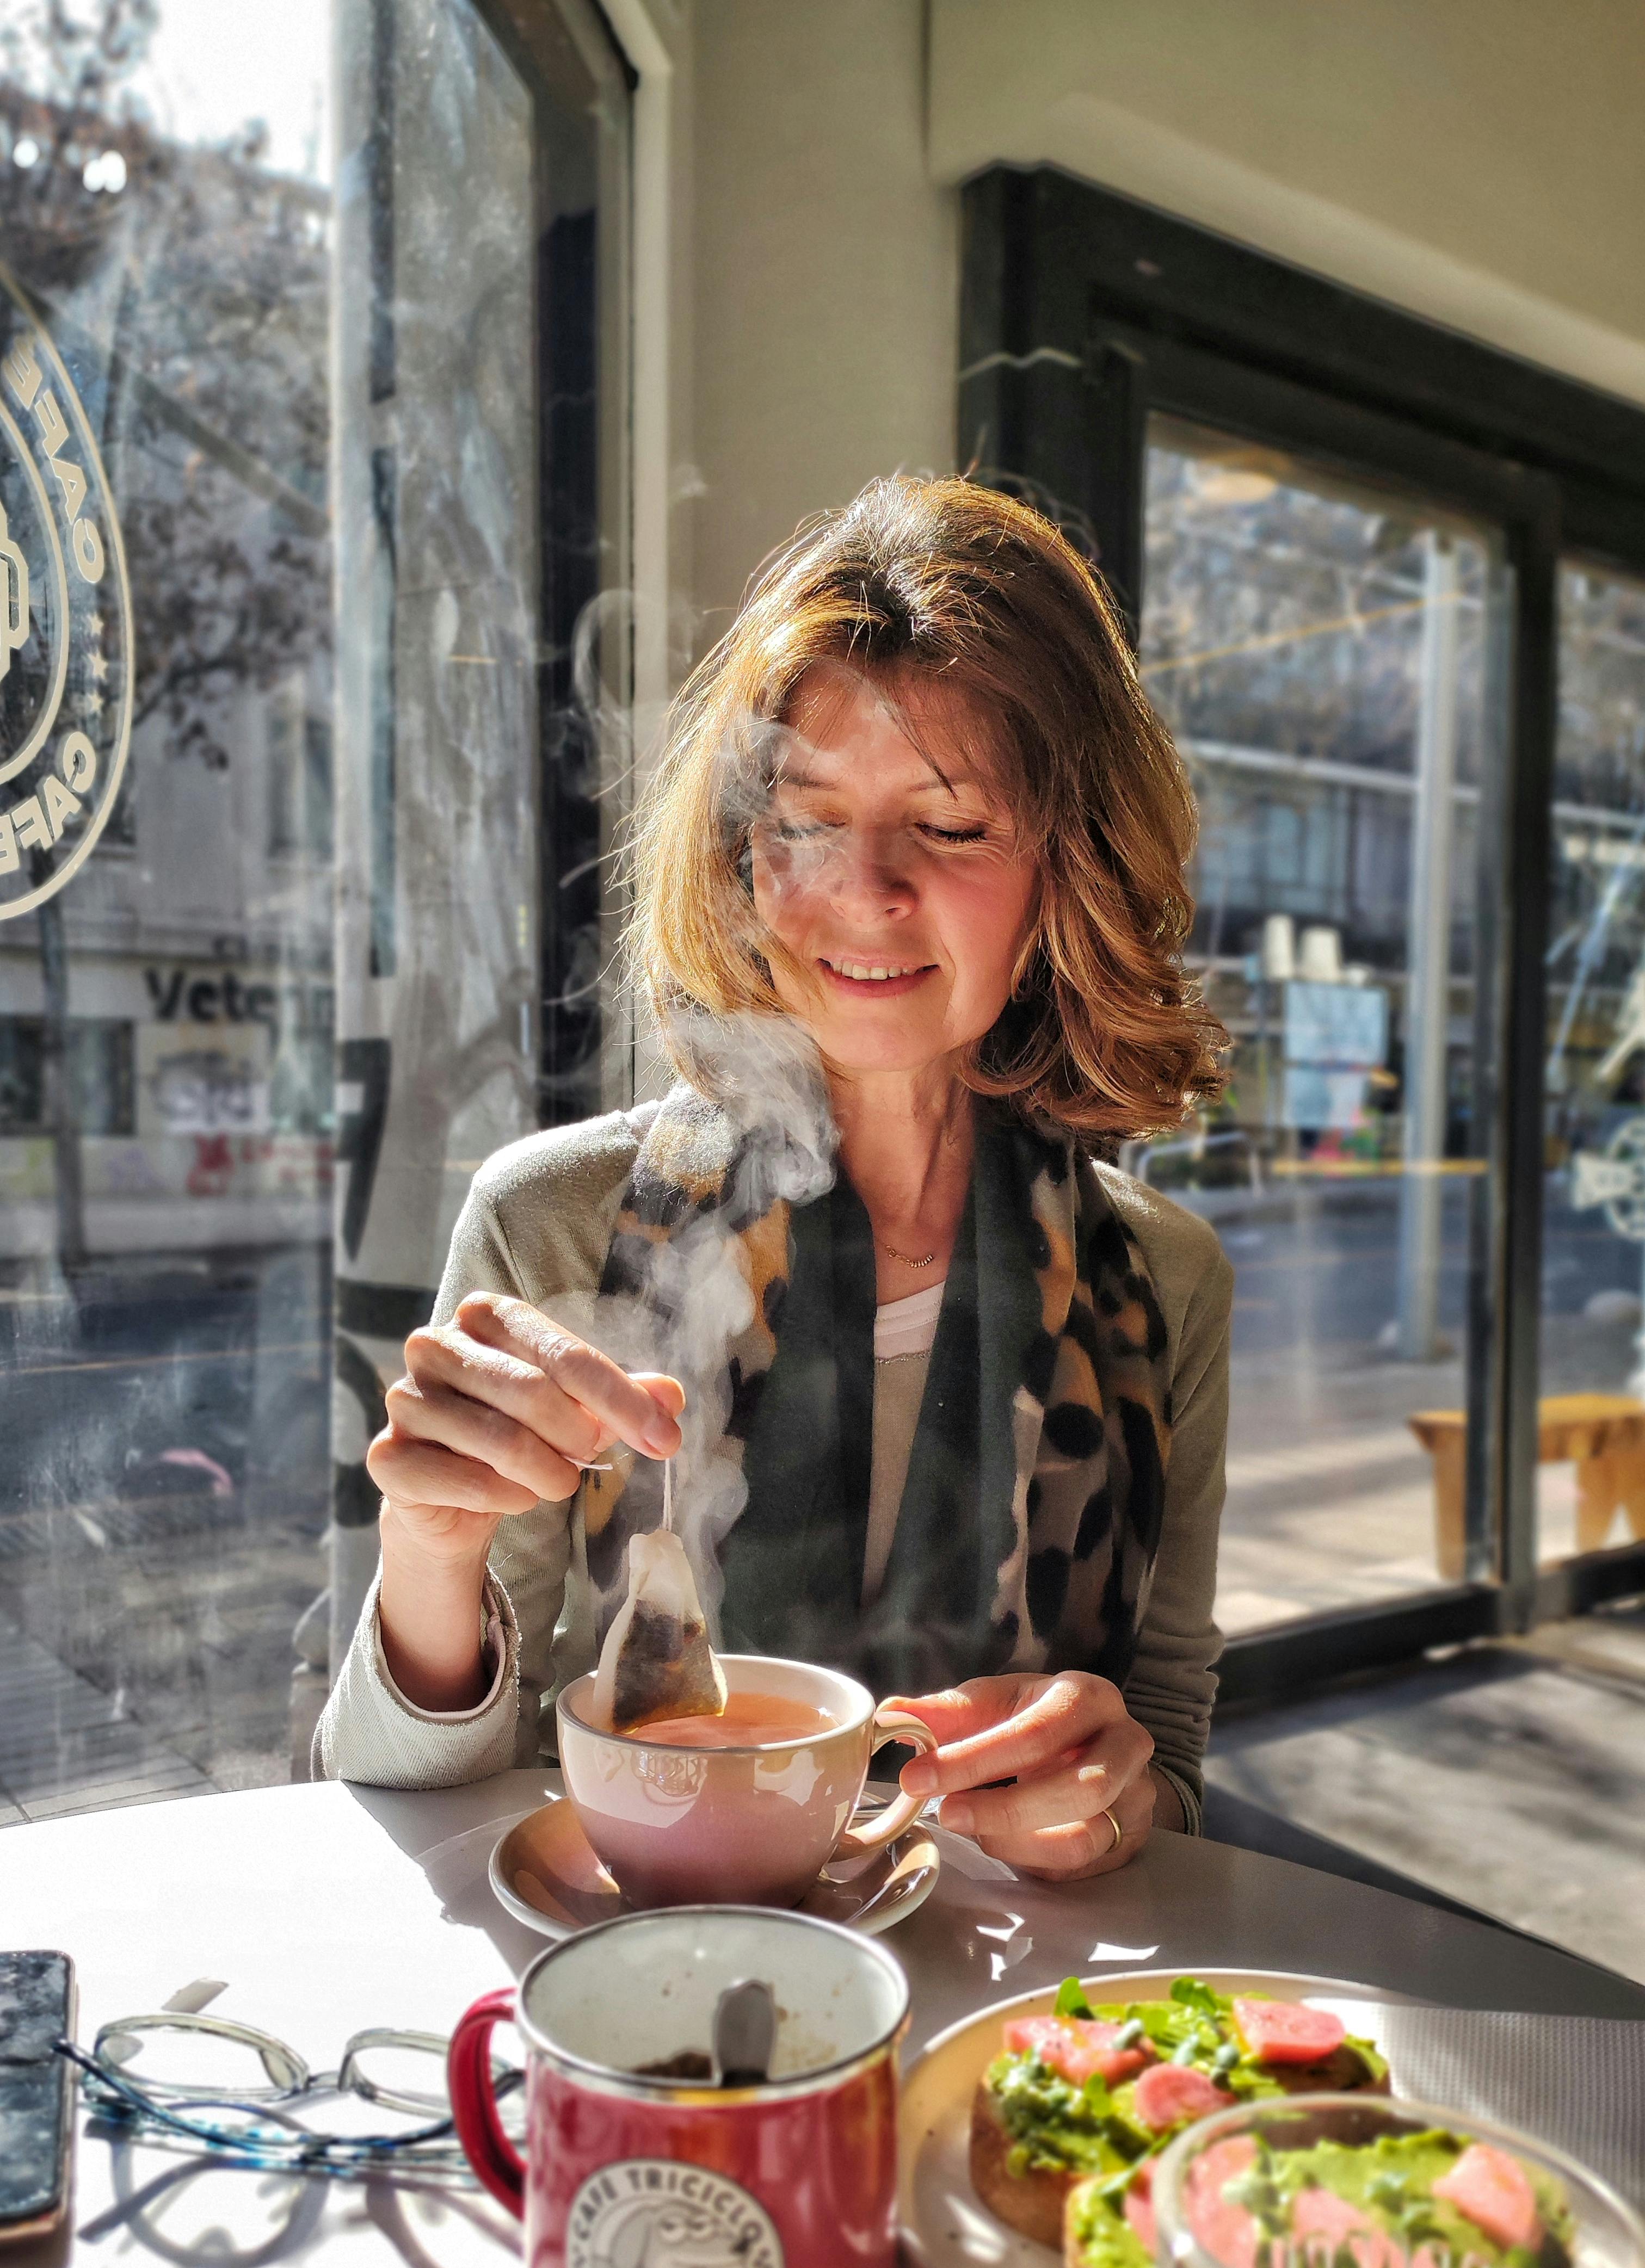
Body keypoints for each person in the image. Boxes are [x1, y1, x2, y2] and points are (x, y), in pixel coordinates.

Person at [317, 475, 1233, 1881]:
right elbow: (403, 1795)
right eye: (802, 819)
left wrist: (1124, 1792)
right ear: (744, 853)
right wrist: (427, 1560)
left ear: (1067, 867)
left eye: (952, 822)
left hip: (992, 2019)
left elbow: (1166, 1746)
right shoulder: (552, 1223)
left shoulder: (1163, 1285)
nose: (864, 891)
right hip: (629, 1985)